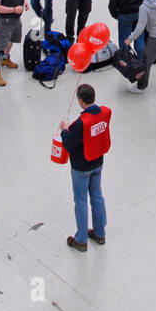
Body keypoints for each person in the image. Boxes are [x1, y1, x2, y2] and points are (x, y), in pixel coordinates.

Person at [59, 83, 110, 252]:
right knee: (97, 196)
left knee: (80, 201)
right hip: (98, 161)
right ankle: (99, 232)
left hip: (81, 166)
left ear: (81, 101)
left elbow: (68, 145)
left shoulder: (82, 123)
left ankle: (81, 239)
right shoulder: (105, 112)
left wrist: (64, 130)